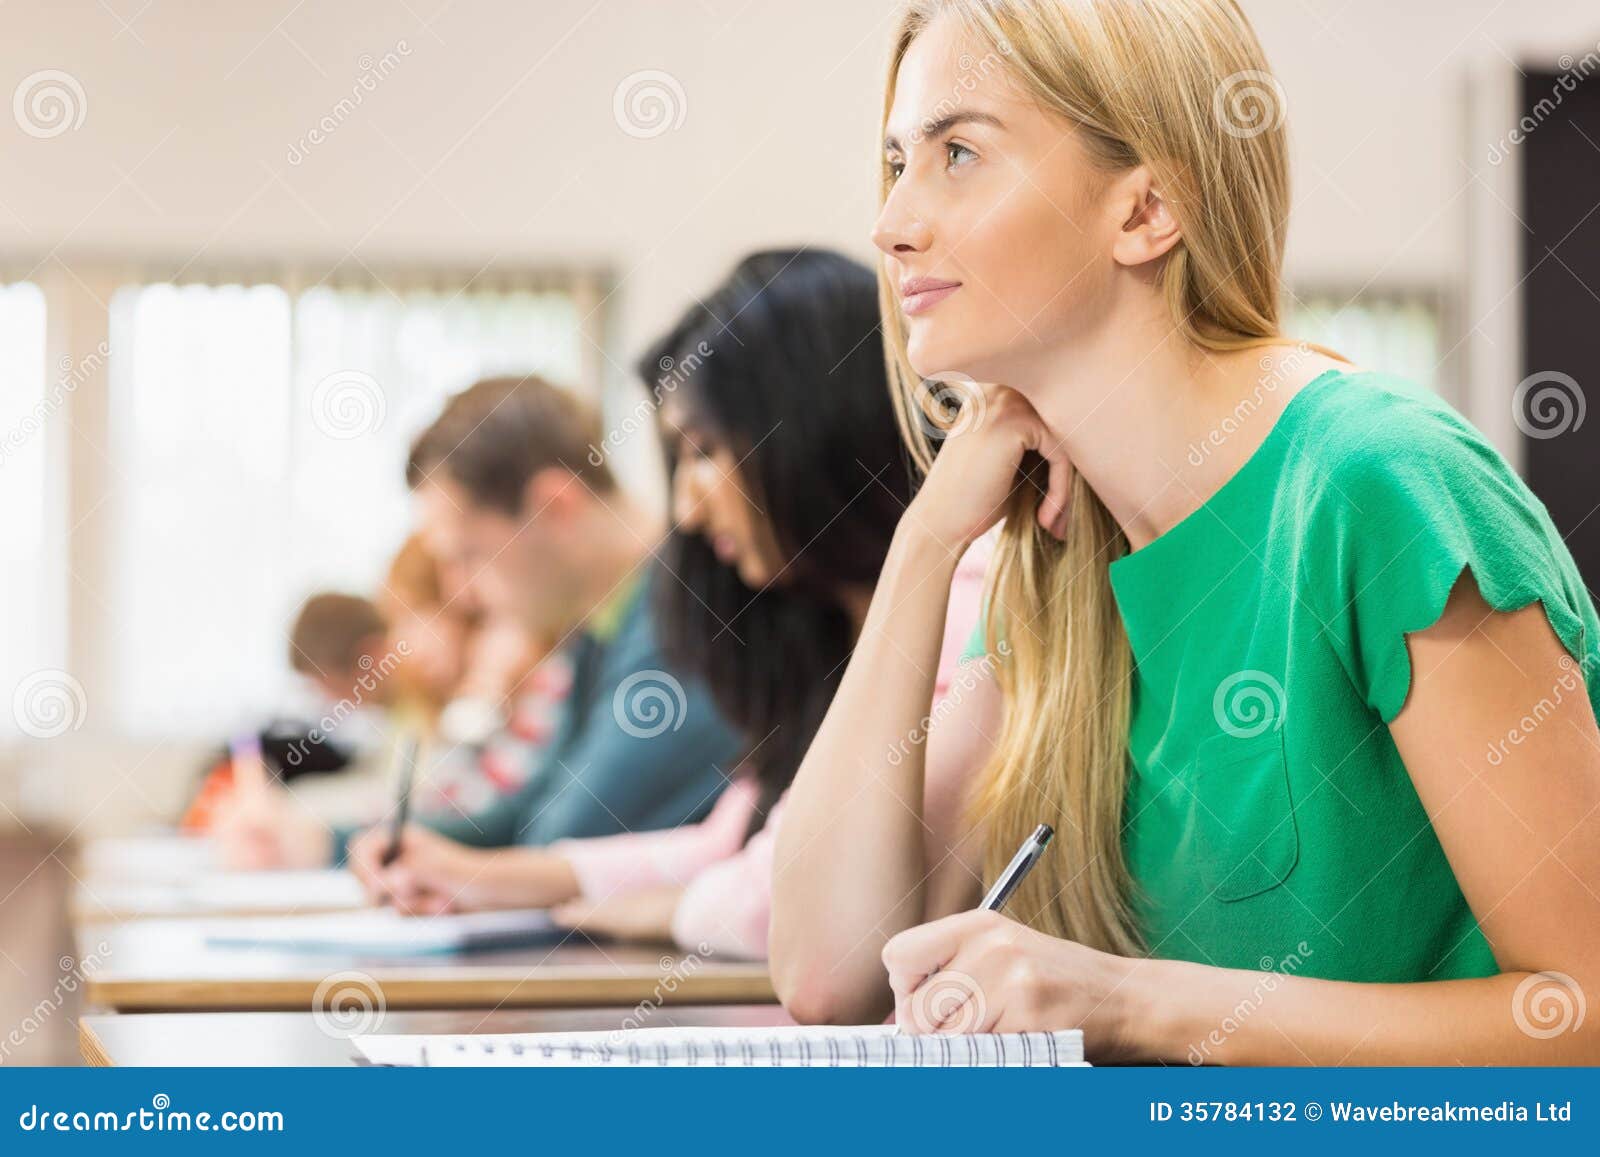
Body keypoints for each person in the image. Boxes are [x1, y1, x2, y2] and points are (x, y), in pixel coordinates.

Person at [770, 0, 1600, 1065]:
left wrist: (1126, 1001)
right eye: (896, 163)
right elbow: (826, 969)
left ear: (1144, 210)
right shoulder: (1056, 557)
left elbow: (1578, 1012)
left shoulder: (1375, 479)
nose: (889, 222)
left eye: (959, 154)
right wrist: (925, 545)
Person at [348, 249, 992, 958]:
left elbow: (801, 905)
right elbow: (734, 842)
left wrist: (661, 905)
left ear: (813, 432)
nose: (685, 507)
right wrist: (487, 878)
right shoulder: (816, 625)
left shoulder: (964, 601)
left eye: (707, 450)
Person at [216, 375, 741, 869]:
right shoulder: (602, 629)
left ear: (553, 507)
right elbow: (520, 815)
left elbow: (563, 833)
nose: (458, 592)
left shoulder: (693, 615)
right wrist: (327, 841)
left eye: (469, 555)